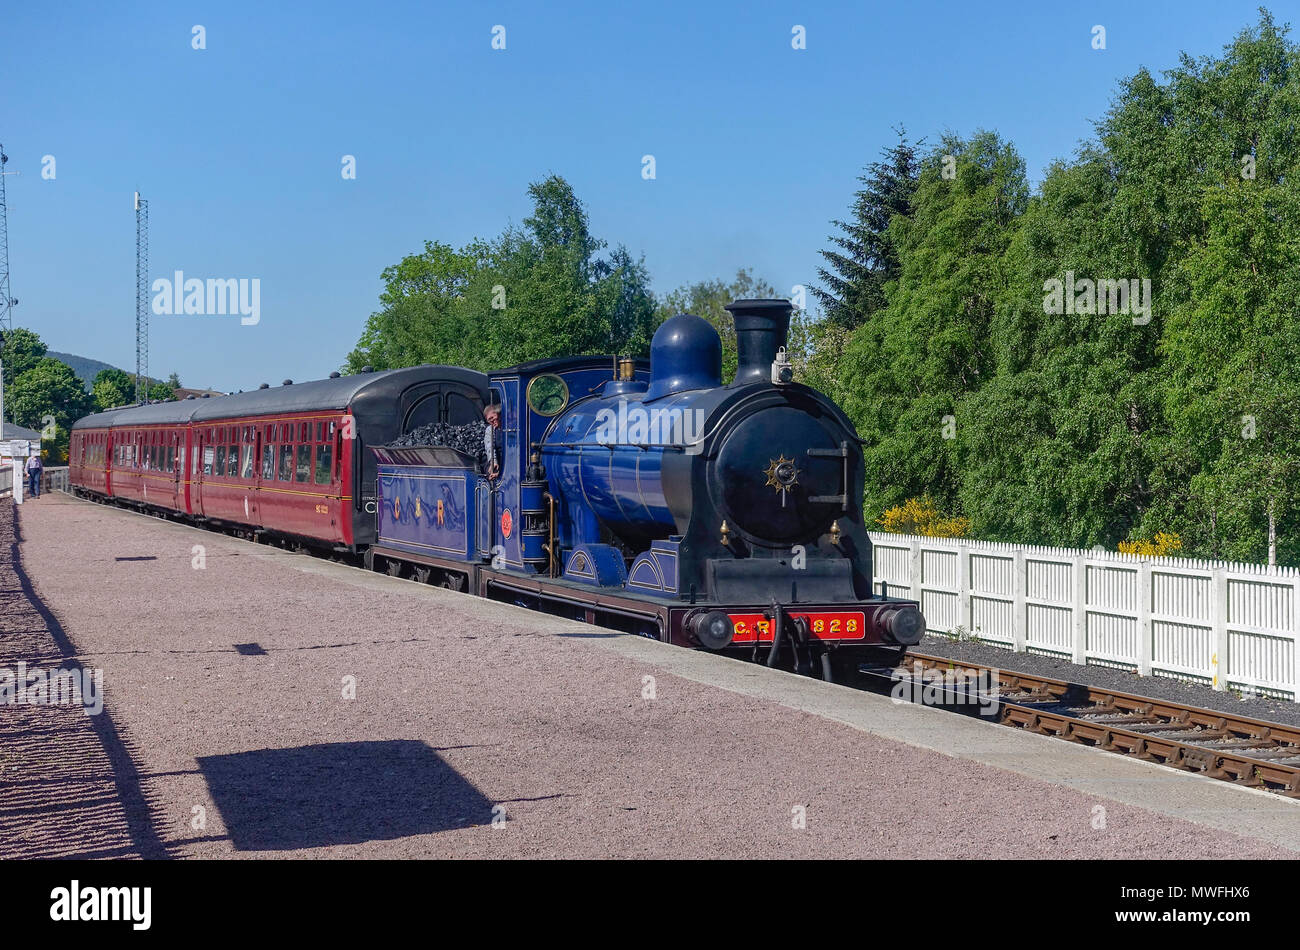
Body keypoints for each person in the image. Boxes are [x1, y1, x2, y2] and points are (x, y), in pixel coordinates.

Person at [483, 404, 504, 480]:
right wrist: (493, 462)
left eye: (492, 417)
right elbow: (490, 447)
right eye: (489, 420)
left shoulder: (509, 427)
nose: (492, 421)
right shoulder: (490, 430)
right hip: (498, 459)